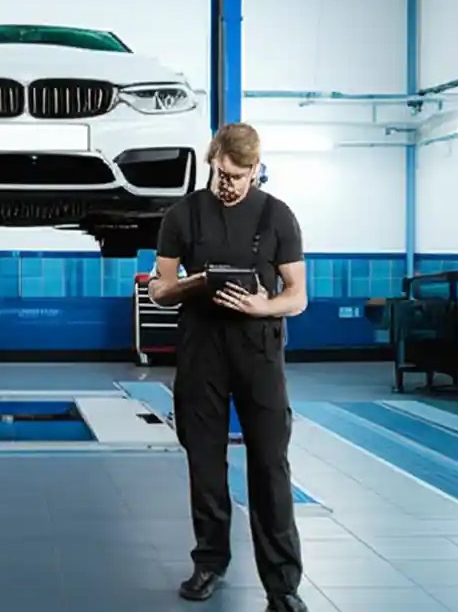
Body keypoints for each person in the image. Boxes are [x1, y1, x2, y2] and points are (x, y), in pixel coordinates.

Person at [148, 122, 308, 611]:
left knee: (269, 466)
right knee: (205, 463)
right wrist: (188, 285)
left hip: (258, 352)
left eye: (240, 176)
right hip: (201, 352)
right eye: (222, 173)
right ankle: (209, 563)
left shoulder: (279, 217)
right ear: (210, 160)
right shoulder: (181, 215)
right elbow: (158, 289)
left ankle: (282, 587)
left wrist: (265, 307)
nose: (229, 184)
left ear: (256, 170)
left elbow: (297, 296)